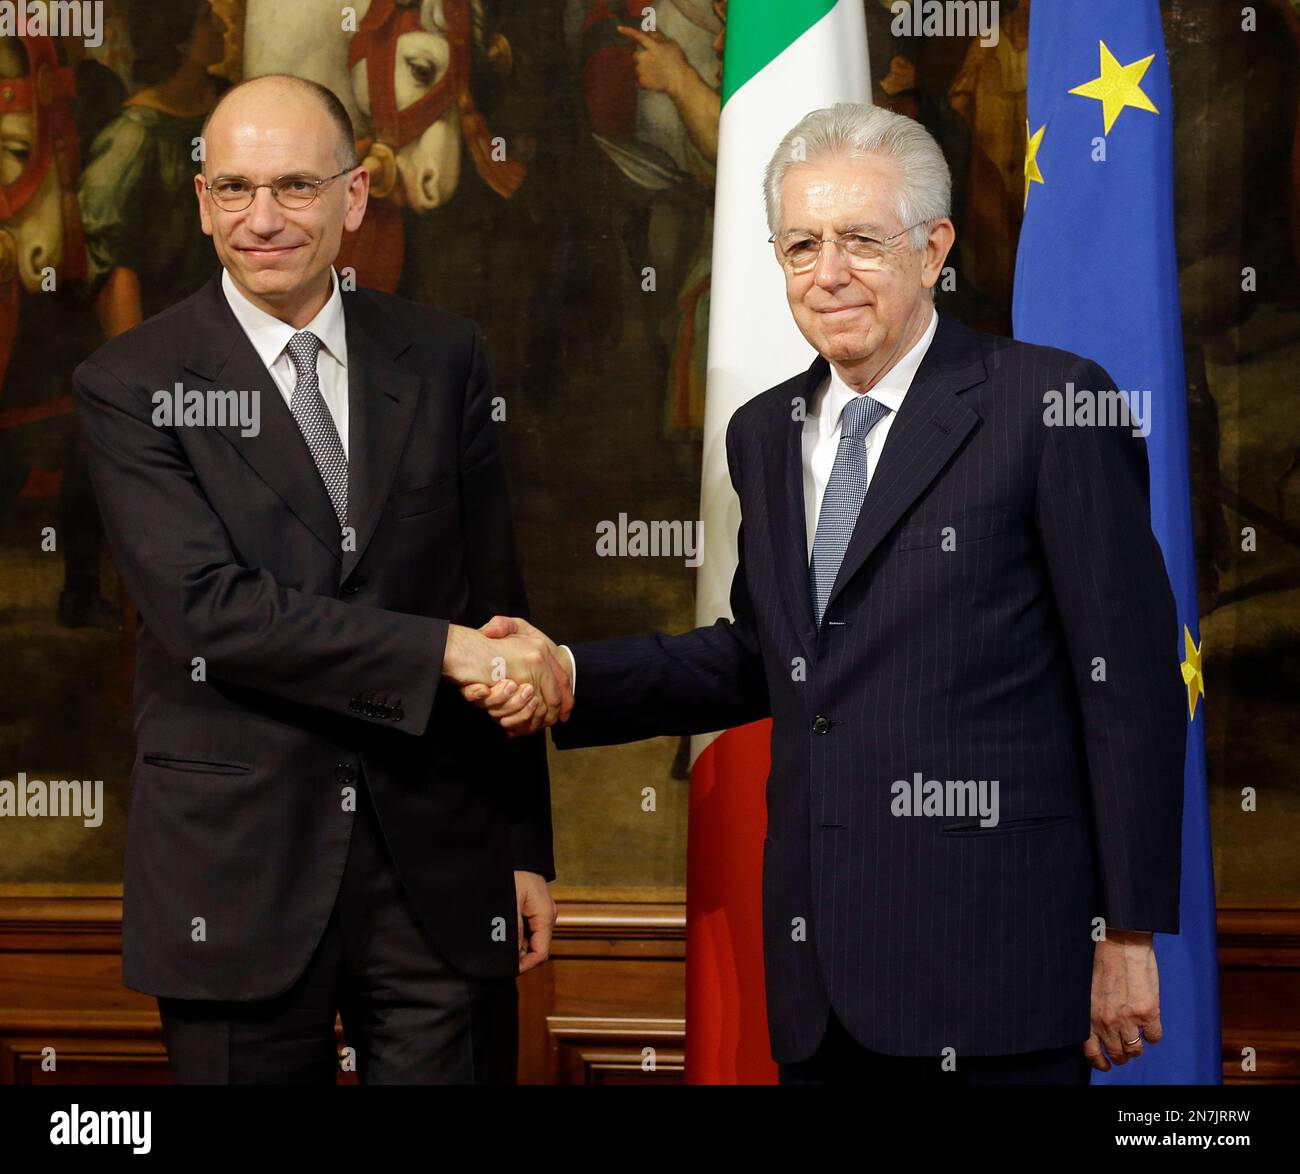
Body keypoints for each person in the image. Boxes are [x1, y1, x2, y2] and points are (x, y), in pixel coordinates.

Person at [467, 102, 1187, 1085]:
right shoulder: (765, 433)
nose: (829, 271)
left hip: (997, 968)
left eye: (860, 239)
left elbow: (1130, 686)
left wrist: (1129, 931)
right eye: (802, 243)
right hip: (820, 981)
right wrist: (566, 673)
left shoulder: (1048, 406)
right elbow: (766, 654)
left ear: (934, 247)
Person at [72, 73, 572, 1084]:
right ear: (204, 199)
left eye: (296, 186)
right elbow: (210, 614)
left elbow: (498, 608)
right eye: (236, 189)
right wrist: (438, 649)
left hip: (437, 865)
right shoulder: (131, 385)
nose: (263, 218)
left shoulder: (443, 359)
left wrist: (523, 845)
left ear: (353, 197)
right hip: (237, 874)